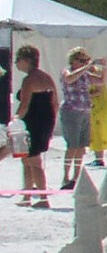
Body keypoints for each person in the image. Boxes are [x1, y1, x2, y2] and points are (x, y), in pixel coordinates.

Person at [12, 45, 58, 209]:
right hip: (46, 121)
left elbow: (24, 105)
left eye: (18, 60)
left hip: (32, 123)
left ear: (26, 60)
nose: (16, 64)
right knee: (26, 160)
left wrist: (14, 120)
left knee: (33, 161)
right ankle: (27, 195)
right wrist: (51, 125)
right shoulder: (46, 77)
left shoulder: (29, 80)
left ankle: (43, 198)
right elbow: (55, 102)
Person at [59, 47, 98, 191]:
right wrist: (86, 67)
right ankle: (65, 176)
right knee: (72, 146)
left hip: (85, 111)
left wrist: (103, 67)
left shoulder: (85, 74)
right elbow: (69, 79)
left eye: (85, 60)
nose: (83, 63)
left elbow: (100, 82)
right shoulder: (66, 71)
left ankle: (76, 176)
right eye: (81, 60)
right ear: (73, 60)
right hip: (71, 111)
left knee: (81, 147)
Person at [88, 55, 107, 167]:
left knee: (98, 131)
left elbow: (99, 91)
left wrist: (85, 95)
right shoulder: (92, 73)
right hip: (93, 106)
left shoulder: (96, 73)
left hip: (98, 106)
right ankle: (97, 157)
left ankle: (99, 159)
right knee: (94, 132)